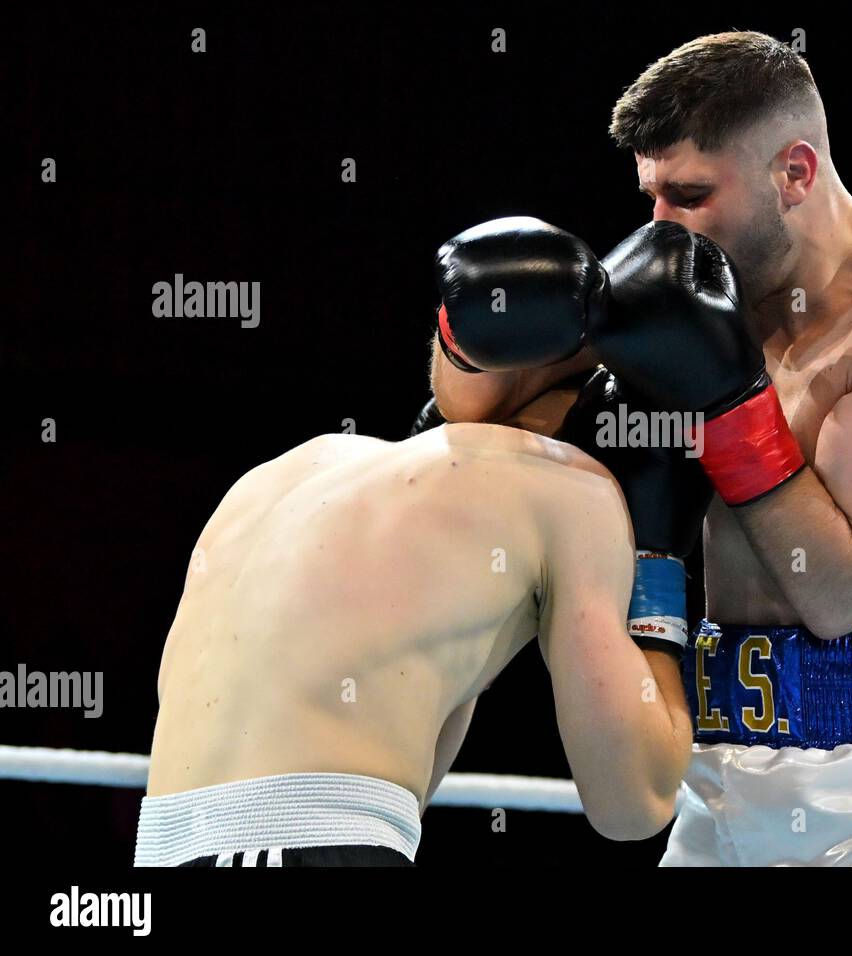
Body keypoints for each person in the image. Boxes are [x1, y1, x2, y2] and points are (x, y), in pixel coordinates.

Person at [432, 31, 852, 866]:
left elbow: (835, 593)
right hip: (724, 761)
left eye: (689, 195)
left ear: (795, 173)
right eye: (650, 195)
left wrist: (724, 402)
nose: (660, 226)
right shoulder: (700, 294)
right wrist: (475, 328)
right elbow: (462, 414)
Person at [134, 225, 705, 867]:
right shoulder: (570, 487)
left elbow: (394, 786)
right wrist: (659, 563)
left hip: (159, 853)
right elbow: (635, 803)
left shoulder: (286, 471)